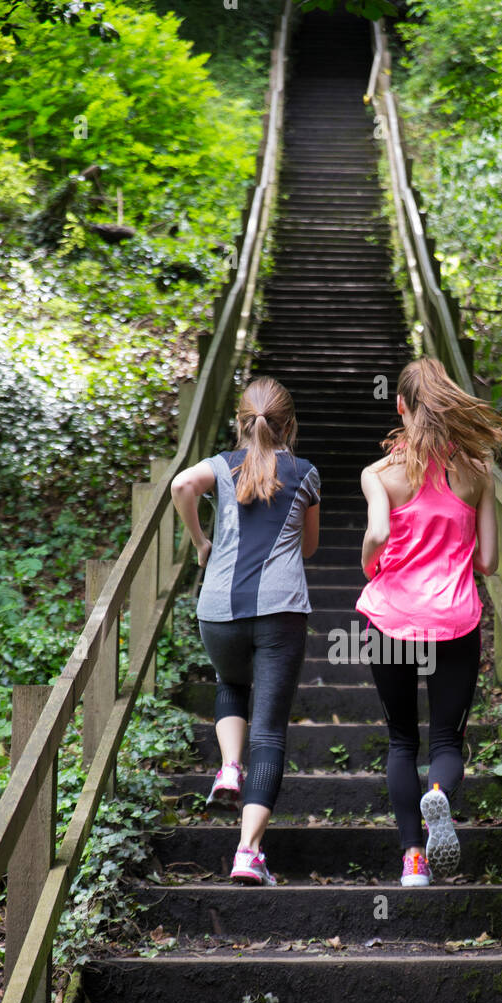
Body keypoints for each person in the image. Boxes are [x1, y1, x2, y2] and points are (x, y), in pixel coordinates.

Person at [355, 357, 502, 887]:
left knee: (401, 740)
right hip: (454, 624)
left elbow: (376, 536)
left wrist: (370, 565)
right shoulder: (477, 472)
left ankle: (413, 861)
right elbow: (487, 561)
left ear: (400, 406)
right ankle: (438, 796)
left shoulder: (378, 474)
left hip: (391, 620)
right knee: (445, 742)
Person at [170, 376, 320, 885]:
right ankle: (247, 852)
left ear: (240, 421)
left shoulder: (220, 466)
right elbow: (309, 548)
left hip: (218, 611)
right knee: (271, 732)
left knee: (231, 683)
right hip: (280, 612)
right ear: (290, 425)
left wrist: (200, 540)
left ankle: (229, 765)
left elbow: (180, 486)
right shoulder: (305, 474)